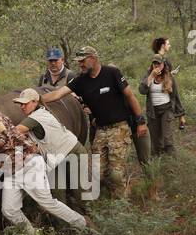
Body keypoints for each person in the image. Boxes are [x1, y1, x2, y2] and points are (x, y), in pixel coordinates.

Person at [40, 46, 147, 198]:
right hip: (100, 130)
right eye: (79, 62)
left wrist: (140, 120)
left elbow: (130, 96)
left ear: (93, 58)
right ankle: (105, 199)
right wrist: (36, 99)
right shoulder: (80, 80)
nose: (80, 65)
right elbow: (58, 94)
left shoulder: (112, 73)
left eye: (83, 61)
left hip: (119, 128)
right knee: (96, 174)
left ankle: (121, 205)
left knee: (116, 174)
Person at [0, 88, 93, 235]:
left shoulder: (36, 117)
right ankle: (68, 231)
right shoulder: (35, 115)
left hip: (72, 152)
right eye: (20, 104)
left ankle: (91, 226)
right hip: (55, 159)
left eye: (25, 104)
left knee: (81, 192)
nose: (22, 107)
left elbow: (14, 133)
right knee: (57, 195)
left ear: (35, 102)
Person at [140, 38, 186, 156]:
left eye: (159, 63)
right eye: (154, 63)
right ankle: (159, 164)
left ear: (163, 64)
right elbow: (142, 90)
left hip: (167, 109)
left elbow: (176, 95)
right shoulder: (148, 74)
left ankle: (172, 164)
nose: (157, 66)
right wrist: (151, 76)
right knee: (155, 142)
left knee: (167, 139)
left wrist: (181, 115)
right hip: (153, 112)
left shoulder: (168, 76)